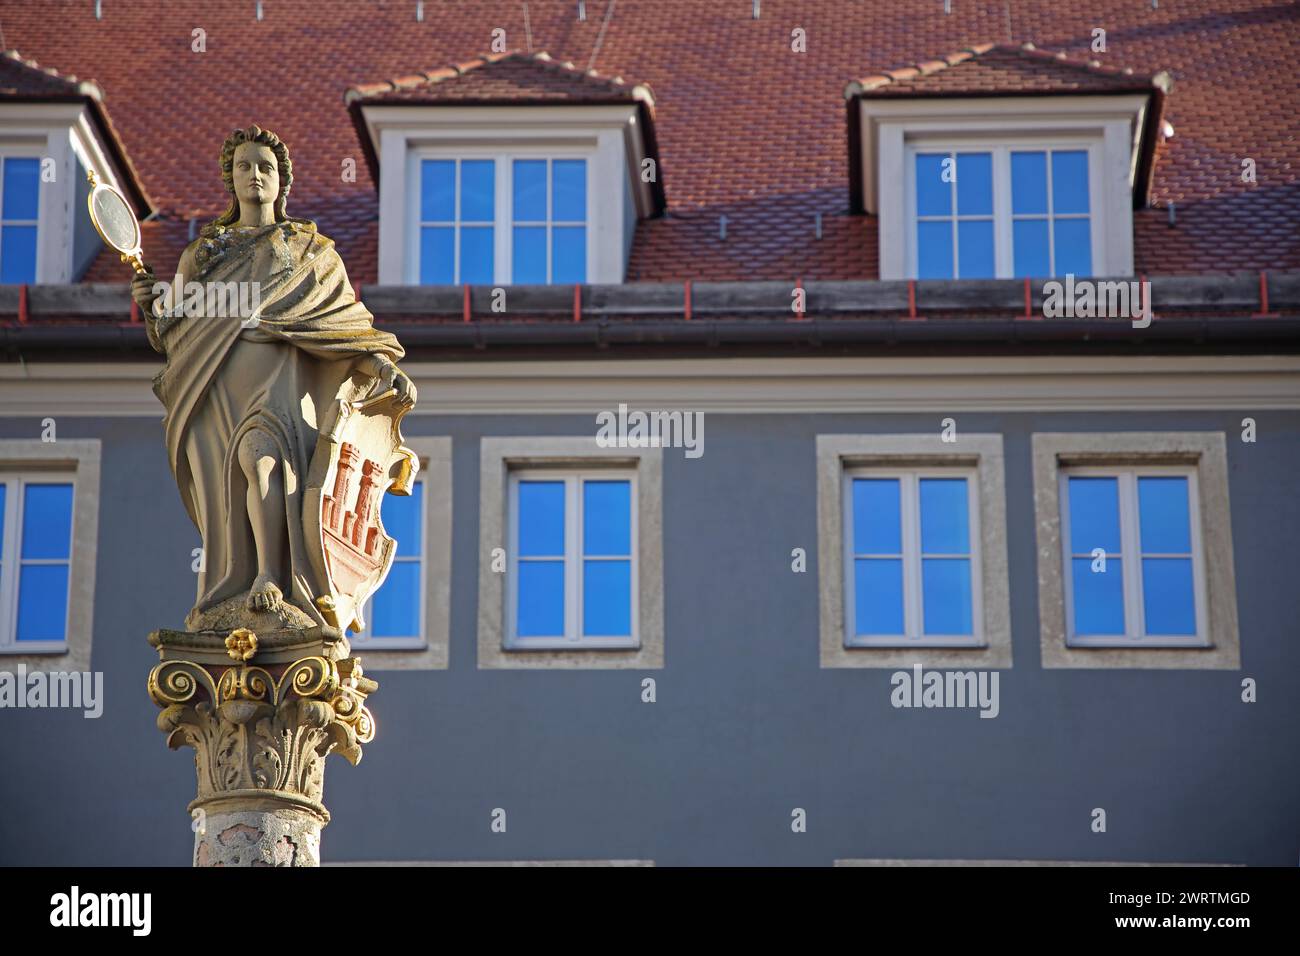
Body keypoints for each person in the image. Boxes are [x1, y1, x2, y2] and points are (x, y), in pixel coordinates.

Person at [131, 125, 416, 632]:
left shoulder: (309, 253)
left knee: (261, 462)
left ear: (282, 181)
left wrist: (380, 366)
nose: (254, 176)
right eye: (244, 166)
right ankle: (229, 590)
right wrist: (154, 307)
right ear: (230, 178)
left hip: (279, 391)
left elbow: (341, 326)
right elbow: (175, 334)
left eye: (265, 167)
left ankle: (271, 578)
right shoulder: (202, 255)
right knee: (227, 498)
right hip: (212, 389)